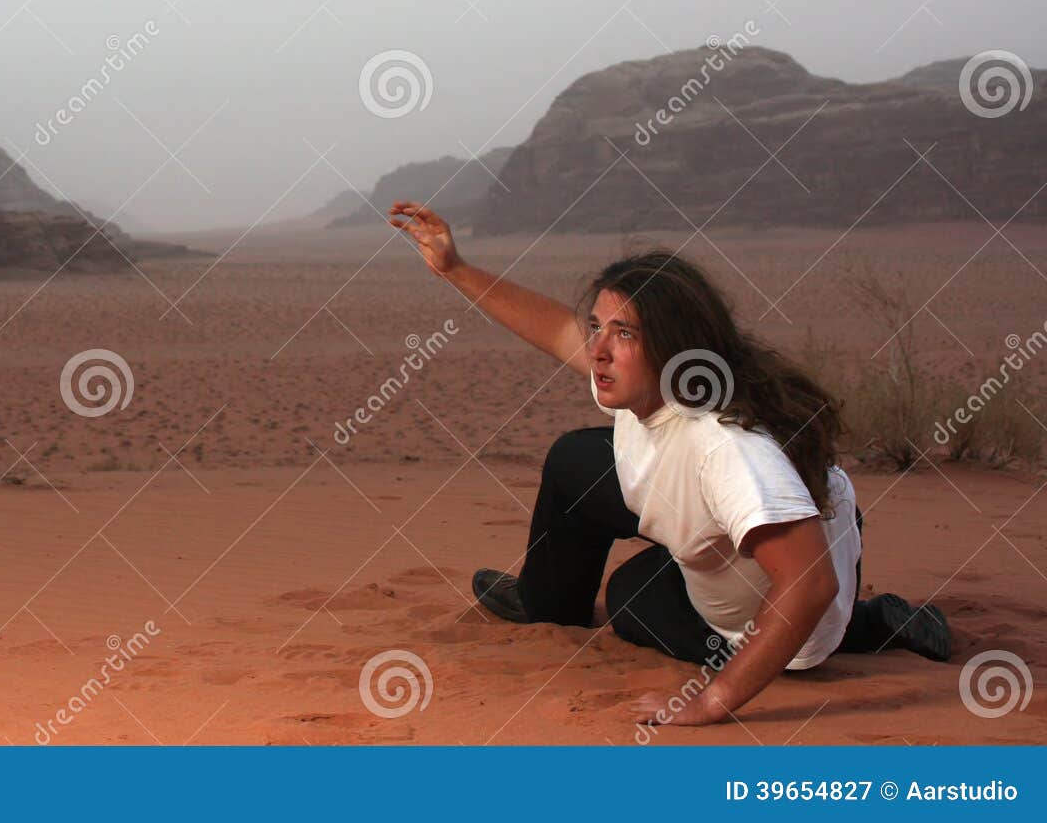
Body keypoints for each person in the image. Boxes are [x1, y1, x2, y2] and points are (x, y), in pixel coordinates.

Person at [388, 200, 951, 727]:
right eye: (598, 327)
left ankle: (873, 622)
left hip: (796, 612)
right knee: (575, 460)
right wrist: (454, 268)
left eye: (623, 333)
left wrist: (713, 700)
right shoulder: (650, 384)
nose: (599, 349)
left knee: (632, 594)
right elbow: (558, 328)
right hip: (783, 526)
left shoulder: (725, 445)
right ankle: (546, 604)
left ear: (674, 348)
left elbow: (807, 583)